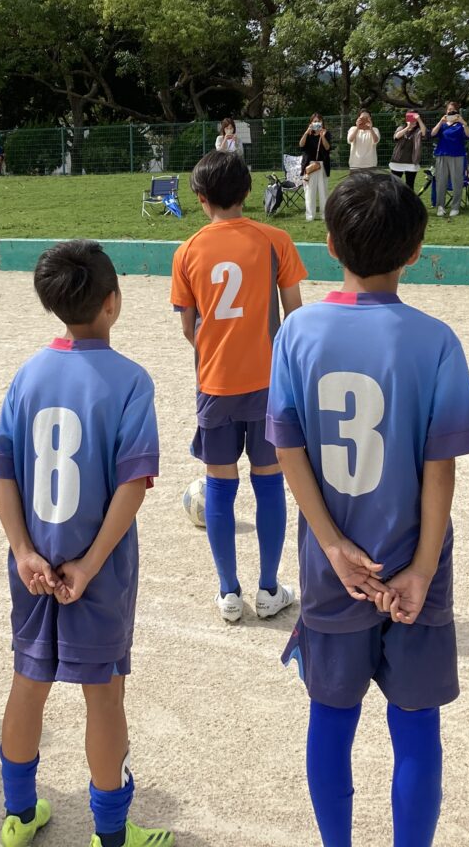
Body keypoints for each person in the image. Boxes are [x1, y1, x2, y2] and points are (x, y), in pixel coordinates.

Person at [269, 172, 469, 847]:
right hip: (414, 565)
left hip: (332, 567)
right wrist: (421, 567)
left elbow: (289, 449)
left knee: (331, 722)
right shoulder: (435, 340)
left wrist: (333, 545)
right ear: (416, 249)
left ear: (330, 244)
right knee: (416, 725)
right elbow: (437, 467)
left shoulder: (298, 333)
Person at [0, 240, 173, 847]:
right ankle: (111, 834)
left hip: (34, 565)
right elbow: (132, 482)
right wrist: (92, 563)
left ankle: (17, 817)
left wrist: (22, 550)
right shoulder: (130, 381)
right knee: (104, 695)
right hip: (98, 572)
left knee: (28, 681)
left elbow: (1, 468)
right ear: (113, 302)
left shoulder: (29, 373)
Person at [171, 151, 306, 623]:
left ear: (202, 199)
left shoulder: (187, 251)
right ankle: (270, 589)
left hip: (215, 384)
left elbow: (189, 326)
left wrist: (215, 350)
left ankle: (229, 593)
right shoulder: (275, 240)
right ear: (248, 192)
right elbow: (294, 317)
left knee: (220, 487)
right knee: (269, 485)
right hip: (269, 387)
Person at [428, 103, 469, 218]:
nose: (451, 112)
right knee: (441, 181)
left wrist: (463, 122)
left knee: (457, 182)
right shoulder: (442, 125)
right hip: (441, 155)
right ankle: (440, 207)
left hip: (457, 155)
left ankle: (455, 207)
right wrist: (440, 122)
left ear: (457, 112)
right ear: (446, 111)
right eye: (449, 110)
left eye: (453, 110)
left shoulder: (460, 125)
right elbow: (432, 133)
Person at [298, 114, 334, 222]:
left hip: (322, 165)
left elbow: (327, 148)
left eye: (319, 121)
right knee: (309, 192)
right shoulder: (308, 134)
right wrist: (306, 132)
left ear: (322, 122)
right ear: (311, 123)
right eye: (314, 121)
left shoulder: (326, 133)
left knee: (323, 192)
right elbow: (301, 145)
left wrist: (322, 135)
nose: (317, 123)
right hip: (309, 166)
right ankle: (310, 216)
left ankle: (324, 215)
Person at [390, 111, 427, 190]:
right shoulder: (401, 128)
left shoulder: (418, 131)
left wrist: (419, 119)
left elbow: (424, 133)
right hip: (397, 161)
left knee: (410, 186)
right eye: (410, 118)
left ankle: (408, 202)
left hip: (411, 162)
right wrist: (407, 127)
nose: (412, 120)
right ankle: (395, 201)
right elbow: (396, 137)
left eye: (414, 118)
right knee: (394, 185)